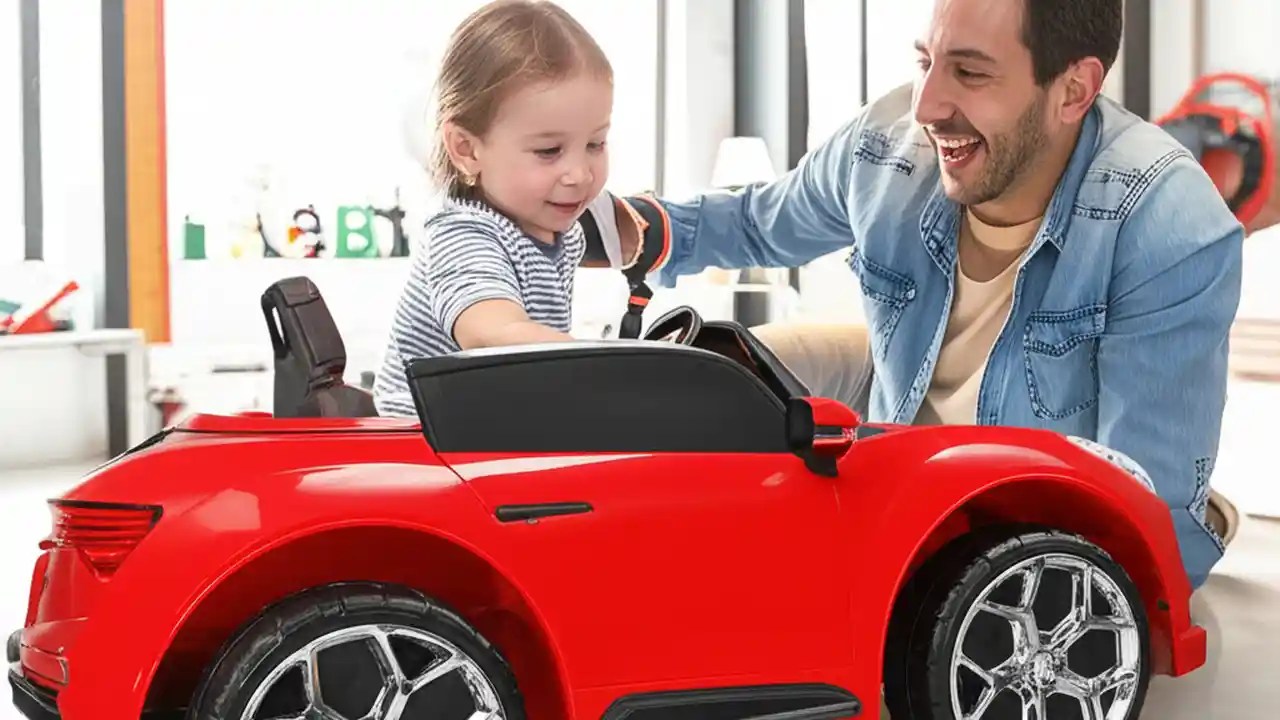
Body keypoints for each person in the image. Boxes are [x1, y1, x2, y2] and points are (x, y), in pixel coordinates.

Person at [607, 0, 1244, 589]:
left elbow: (1144, 515)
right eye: (925, 61)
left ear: (1073, 91)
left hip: (1020, 550)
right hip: (902, 500)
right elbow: (756, 222)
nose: (927, 105)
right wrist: (621, 229)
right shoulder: (885, 150)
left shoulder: (1165, 223)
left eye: (969, 73)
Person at [373, 0, 620, 417]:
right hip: (421, 442)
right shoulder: (464, 234)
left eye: (595, 143)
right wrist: (620, 367)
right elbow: (492, 335)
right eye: (549, 151)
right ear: (467, 150)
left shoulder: (558, 231)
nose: (579, 173)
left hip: (483, 430)